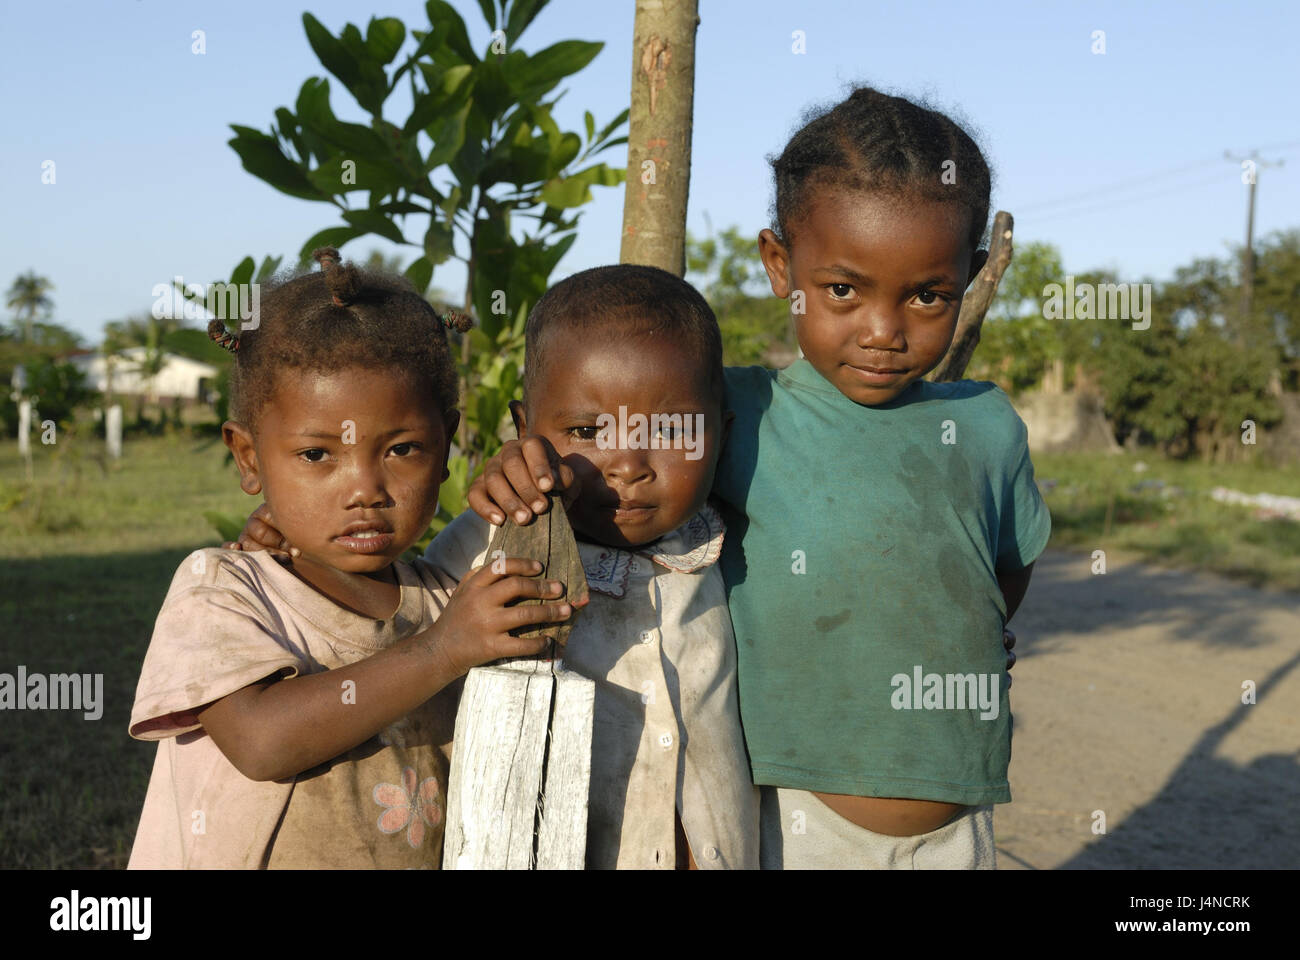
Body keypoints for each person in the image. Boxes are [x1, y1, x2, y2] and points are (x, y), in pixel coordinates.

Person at [466, 87, 1049, 869]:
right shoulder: (736, 410)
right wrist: (521, 465)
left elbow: (1008, 562)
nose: (883, 330)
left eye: (927, 295)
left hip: (961, 825)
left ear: (972, 278)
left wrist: (967, 629)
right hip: (798, 823)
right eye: (843, 290)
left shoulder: (985, 425)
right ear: (782, 265)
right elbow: (604, 445)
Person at [233, 265, 760, 869]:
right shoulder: (493, 539)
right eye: (588, 430)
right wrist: (292, 547)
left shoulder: (731, 540)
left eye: (669, 429)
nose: (630, 464)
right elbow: (396, 614)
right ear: (525, 431)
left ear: (720, 435)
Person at [126, 248, 570, 868]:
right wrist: (443, 649)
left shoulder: (445, 592)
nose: (365, 488)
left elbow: (521, 508)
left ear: (445, 444)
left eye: (404, 448)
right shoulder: (224, 589)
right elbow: (261, 742)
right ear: (249, 457)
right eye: (316, 455)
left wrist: (517, 469)